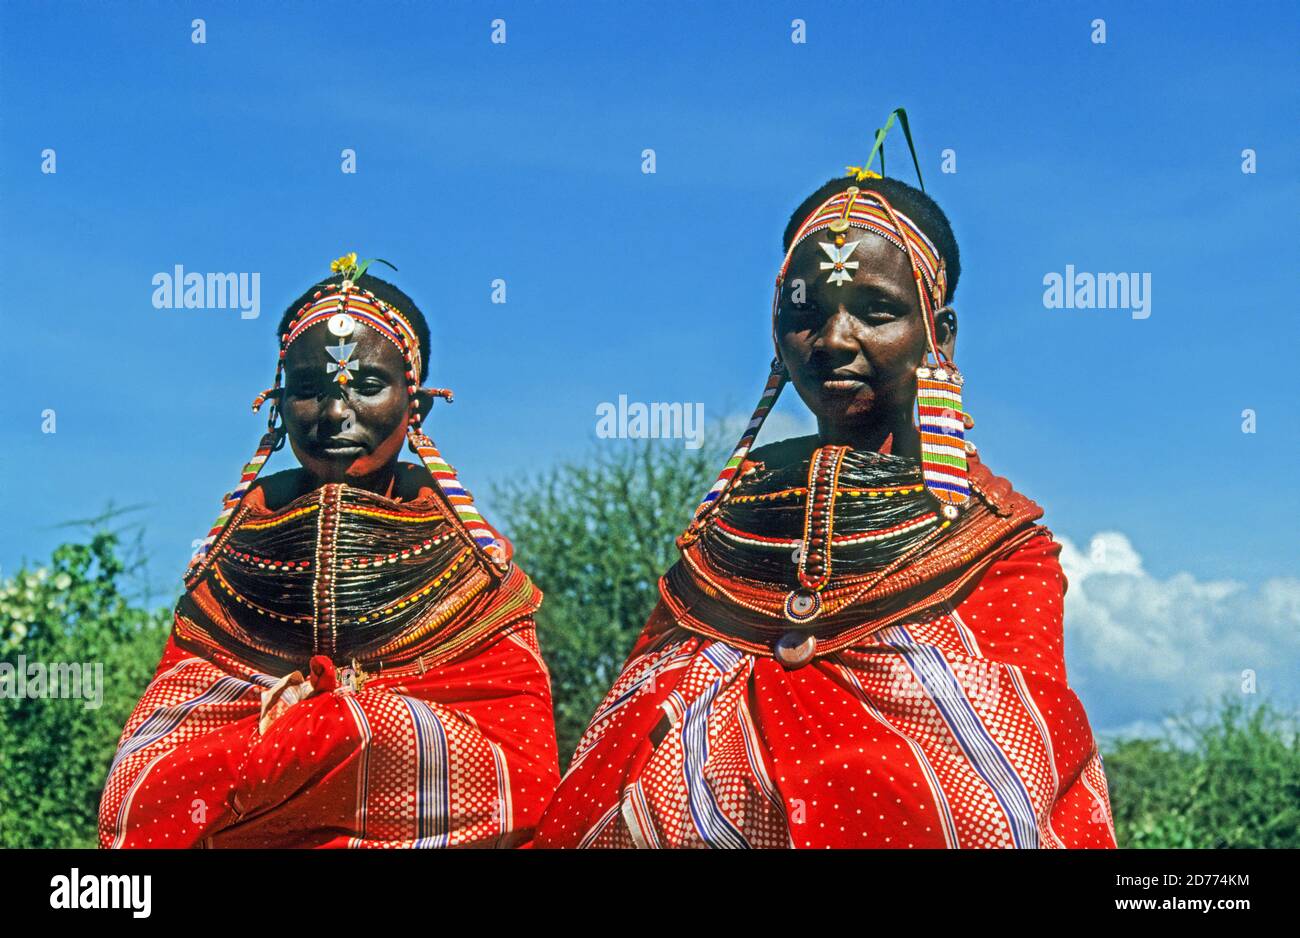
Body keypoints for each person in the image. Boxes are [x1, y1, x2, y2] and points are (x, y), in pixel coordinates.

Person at [535, 114, 1117, 848]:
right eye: (807, 314)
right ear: (777, 335)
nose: (836, 340)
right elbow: (615, 764)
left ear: (940, 332)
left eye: (876, 311)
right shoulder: (725, 539)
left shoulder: (1000, 549)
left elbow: (1000, 789)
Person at [99, 253, 559, 848]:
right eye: (310, 391)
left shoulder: (474, 568)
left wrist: (346, 726)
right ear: (278, 404)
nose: (336, 414)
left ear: (414, 406)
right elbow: (147, 779)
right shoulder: (230, 563)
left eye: (367, 386)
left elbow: (520, 771)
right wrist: (308, 733)